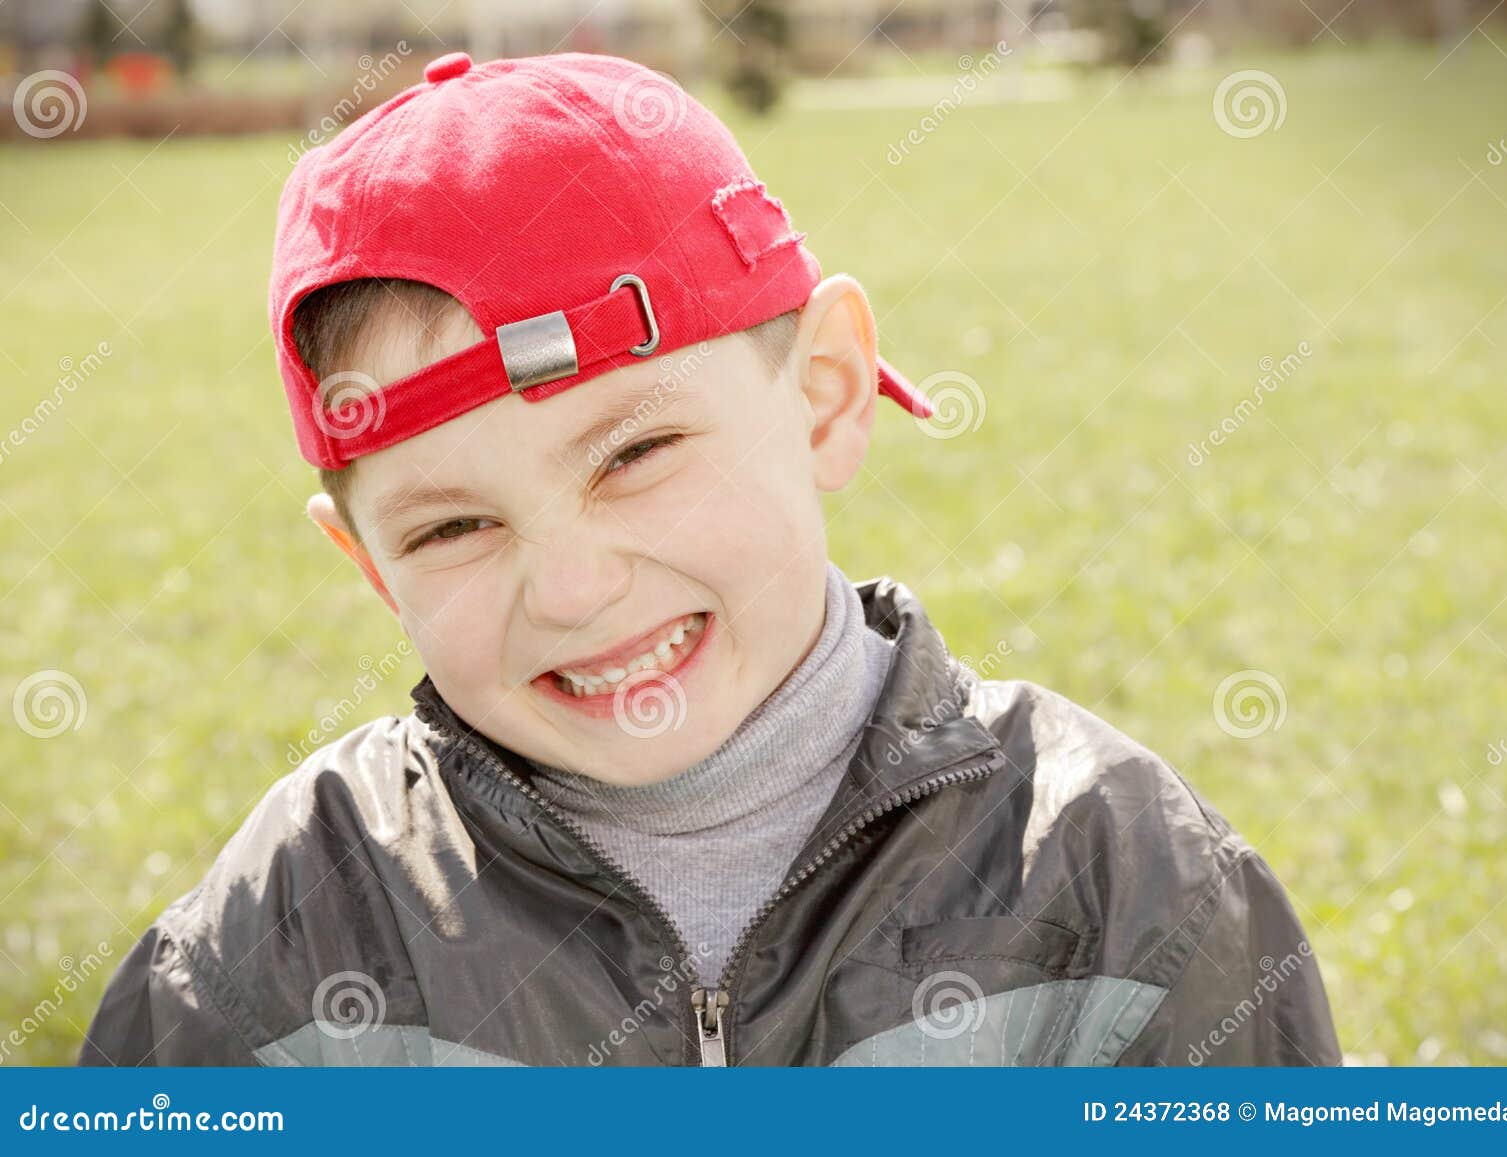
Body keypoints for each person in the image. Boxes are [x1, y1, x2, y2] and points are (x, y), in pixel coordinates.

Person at [80, 52, 1339, 1067]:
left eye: (633, 452)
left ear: (826, 393)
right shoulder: (284, 941)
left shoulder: (1119, 881)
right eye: (451, 526)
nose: (572, 589)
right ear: (368, 565)